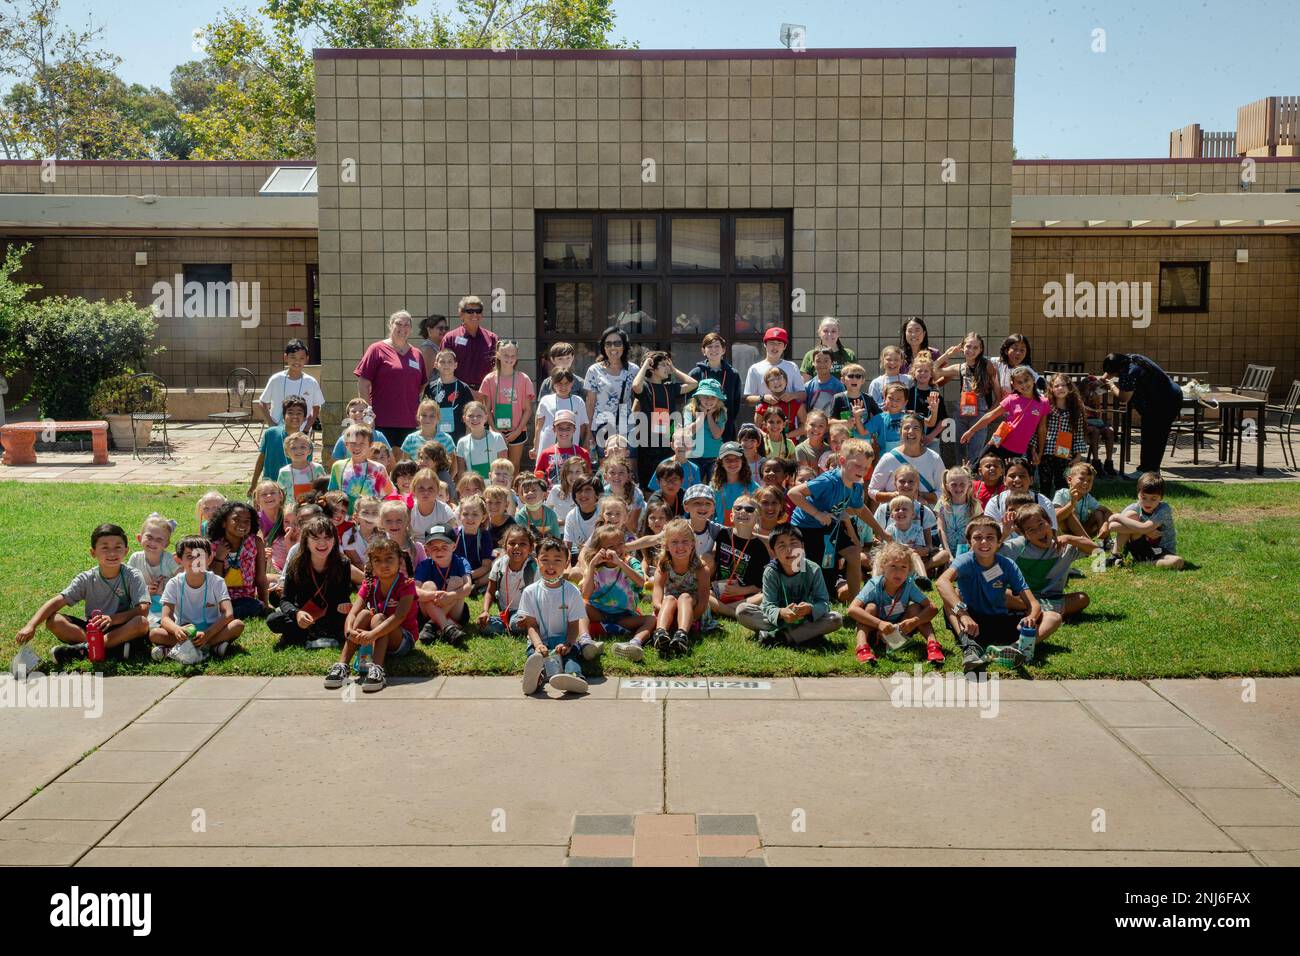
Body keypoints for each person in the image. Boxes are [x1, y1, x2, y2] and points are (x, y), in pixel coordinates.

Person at [17, 523, 150, 664]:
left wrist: (112, 619)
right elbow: (57, 601)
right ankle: (108, 649)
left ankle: (86, 649)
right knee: (54, 621)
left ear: (126, 551)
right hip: (92, 630)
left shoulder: (133, 575)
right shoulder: (86, 578)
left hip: (122, 627)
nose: (112, 553)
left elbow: (143, 609)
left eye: (118, 547)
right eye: (105, 548)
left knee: (141, 623)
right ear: (93, 553)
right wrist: (31, 625)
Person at [936, 516, 1042, 673]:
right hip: (971, 623)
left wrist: (1030, 618)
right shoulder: (964, 560)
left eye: (990, 537)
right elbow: (941, 582)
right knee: (949, 599)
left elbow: (1033, 604)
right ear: (969, 543)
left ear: (999, 542)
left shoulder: (1007, 564)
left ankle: (1015, 648)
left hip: (999, 620)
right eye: (978, 538)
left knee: (1051, 617)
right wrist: (964, 614)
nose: (984, 542)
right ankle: (969, 648)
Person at [788, 437, 879, 598]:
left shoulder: (856, 485)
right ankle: (796, 599)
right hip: (804, 526)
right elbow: (793, 493)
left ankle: (855, 602)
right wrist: (817, 513)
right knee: (799, 566)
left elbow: (860, 510)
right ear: (842, 461)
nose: (862, 471)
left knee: (853, 553)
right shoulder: (828, 480)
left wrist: (882, 532)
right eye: (857, 465)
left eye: (866, 467)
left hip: (829, 525)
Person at [327, 534, 418, 693]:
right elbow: (353, 613)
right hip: (375, 636)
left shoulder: (407, 584)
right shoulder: (369, 584)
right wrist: (349, 631)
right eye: (377, 560)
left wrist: (373, 634)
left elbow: (400, 616)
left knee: (378, 617)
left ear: (400, 561)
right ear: (371, 565)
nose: (384, 564)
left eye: (389, 558)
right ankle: (342, 665)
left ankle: (377, 670)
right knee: (363, 614)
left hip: (402, 639)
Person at [1001, 505, 1099, 649]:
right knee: (1003, 595)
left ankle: (1020, 647)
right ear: (1024, 535)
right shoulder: (1017, 546)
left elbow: (1098, 551)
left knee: (1082, 599)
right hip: (1021, 599)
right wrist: (1004, 533)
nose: (1039, 532)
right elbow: (985, 553)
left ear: (1050, 522)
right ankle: (1037, 611)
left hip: (1051, 599)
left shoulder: (1065, 547)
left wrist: (1070, 538)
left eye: (1041, 524)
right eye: (1031, 530)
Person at [735, 522, 844, 646]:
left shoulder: (812, 569)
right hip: (779, 619)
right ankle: (804, 635)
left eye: (794, 543)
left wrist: (811, 609)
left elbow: (824, 602)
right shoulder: (771, 571)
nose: (789, 550)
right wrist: (781, 613)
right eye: (782, 546)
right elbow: (768, 605)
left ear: (802, 547)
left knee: (836, 618)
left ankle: (780, 637)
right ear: (773, 551)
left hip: (805, 619)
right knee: (742, 610)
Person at [266, 515, 359, 648]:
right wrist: (297, 613)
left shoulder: (342, 563)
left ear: (334, 540)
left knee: (355, 619)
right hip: (304, 613)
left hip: (330, 614)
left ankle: (306, 635)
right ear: (306, 541)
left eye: (328, 537)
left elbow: (343, 596)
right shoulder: (296, 564)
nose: (322, 543)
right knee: (274, 620)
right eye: (315, 538)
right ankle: (318, 634)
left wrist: (344, 605)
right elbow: (285, 600)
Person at [518, 534, 592, 695]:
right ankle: (536, 677)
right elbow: (531, 625)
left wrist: (568, 643)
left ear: (566, 564)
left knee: (571, 657)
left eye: (557, 560)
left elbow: (574, 625)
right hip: (539, 641)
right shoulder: (530, 592)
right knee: (534, 656)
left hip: (564, 640)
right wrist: (538, 645)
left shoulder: (572, 592)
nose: (551, 565)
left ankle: (574, 677)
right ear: (537, 561)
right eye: (545, 559)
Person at [151, 535, 245, 661]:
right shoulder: (174, 583)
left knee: (237, 625)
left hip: (211, 631)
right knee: (155, 634)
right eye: (189, 556)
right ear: (178, 560)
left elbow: (228, 614)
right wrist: (177, 629)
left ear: (210, 558)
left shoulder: (217, 581)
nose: (195, 561)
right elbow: (165, 618)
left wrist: (207, 634)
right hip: (184, 632)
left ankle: (180, 650)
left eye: (200, 556)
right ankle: (211, 648)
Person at [848, 541, 941, 664]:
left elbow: (932, 608)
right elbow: (852, 609)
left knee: (915, 609)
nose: (898, 572)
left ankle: (933, 646)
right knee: (870, 608)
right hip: (874, 630)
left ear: (909, 570)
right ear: (882, 567)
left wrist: (914, 621)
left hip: (901, 630)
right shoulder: (873, 585)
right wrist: (879, 624)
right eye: (893, 566)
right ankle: (862, 647)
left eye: (904, 567)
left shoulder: (908, 584)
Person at [1099, 352, 1184, 478]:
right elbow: (1110, 372)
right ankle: (1149, 470)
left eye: (1114, 373)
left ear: (1119, 369)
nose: (1113, 375)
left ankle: (1149, 471)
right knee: (1149, 434)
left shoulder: (1129, 373)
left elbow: (1124, 397)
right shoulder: (1131, 358)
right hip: (1167, 396)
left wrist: (1111, 385)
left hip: (1164, 402)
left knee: (1155, 436)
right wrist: (1104, 377)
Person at [354, 310, 427, 447]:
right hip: (382, 420)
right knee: (381, 460)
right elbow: (363, 383)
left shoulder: (417, 354)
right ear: (390, 325)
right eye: (398, 324)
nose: (402, 328)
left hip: (409, 420)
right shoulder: (377, 349)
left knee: (406, 464)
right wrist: (368, 413)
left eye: (407, 325)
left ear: (411, 329)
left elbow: (421, 385)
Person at [582, 524, 653, 658]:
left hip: (624, 615)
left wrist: (621, 563)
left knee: (651, 620)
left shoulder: (631, 562)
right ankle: (585, 641)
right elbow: (586, 595)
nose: (617, 550)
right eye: (611, 547)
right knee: (581, 605)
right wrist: (591, 566)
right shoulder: (596, 567)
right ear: (600, 549)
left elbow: (641, 582)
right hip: (599, 613)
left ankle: (635, 643)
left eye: (620, 544)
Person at [631, 350, 699, 490]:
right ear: (652, 368)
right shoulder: (645, 387)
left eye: (668, 365)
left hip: (668, 444)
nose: (667, 368)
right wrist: (645, 365)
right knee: (649, 487)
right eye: (663, 365)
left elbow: (693, 383)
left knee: (669, 481)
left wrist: (674, 370)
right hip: (648, 444)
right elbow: (635, 386)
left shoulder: (670, 388)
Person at [961, 365, 1049, 464]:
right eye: (1019, 382)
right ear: (1014, 385)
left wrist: (1040, 452)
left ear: (1033, 379)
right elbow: (991, 415)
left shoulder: (1043, 402)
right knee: (977, 468)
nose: (1024, 384)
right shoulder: (1011, 399)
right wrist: (971, 431)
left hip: (1019, 450)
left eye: (1026, 380)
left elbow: (1042, 428)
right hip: (998, 441)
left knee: (1011, 476)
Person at [938, 331, 1003, 465]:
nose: (971, 350)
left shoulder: (988, 366)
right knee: (959, 453)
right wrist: (947, 355)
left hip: (980, 416)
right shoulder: (960, 367)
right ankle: (959, 483)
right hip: (961, 415)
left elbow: (999, 397)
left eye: (975, 347)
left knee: (975, 455)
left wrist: (988, 416)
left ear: (981, 350)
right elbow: (933, 371)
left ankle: (973, 483)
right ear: (962, 347)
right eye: (968, 346)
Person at [650, 518, 711, 658]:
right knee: (670, 598)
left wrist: (691, 618)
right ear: (666, 546)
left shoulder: (701, 569)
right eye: (674, 542)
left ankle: (682, 635)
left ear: (692, 544)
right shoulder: (664, 566)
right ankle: (660, 633)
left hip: (694, 611)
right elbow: (657, 597)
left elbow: (703, 602)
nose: (680, 547)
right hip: (669, 608)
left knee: (685, 597)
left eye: (685, 541)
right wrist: (665, 611)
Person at [477, 338, 534, 475]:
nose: (509, 359)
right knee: (497, 465)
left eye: (513, 355)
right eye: (506, 355)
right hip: (496, 431)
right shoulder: (489, 379)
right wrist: (496, 430)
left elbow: (527, 410)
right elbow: (486, 409)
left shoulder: (523, 379)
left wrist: (517, 431)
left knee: (514, 465)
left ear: (517, 357)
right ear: (498, 355)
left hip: (517, 431)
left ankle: (512, 493)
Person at [707, 494, 770, 619]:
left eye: (750, 509)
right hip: (720, 590)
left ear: (757, 518)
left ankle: (722, 609)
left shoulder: (759, 547)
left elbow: (758, 586)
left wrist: (741, 591)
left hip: (744, 595)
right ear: (731, 516)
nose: (743, 512)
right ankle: (732, 613)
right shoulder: (723, 535)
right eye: (738, 508)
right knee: (703, 593)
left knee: (762, 597)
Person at [1104, 471, 1184, 569]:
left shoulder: (1164, 509)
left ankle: (1136, 564)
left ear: (1161, 498)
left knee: (1178, 561)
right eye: (1144, 497)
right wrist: (1146, 532)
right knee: (1130, 515)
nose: (1148, 502)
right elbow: (1112, 526)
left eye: (1153, 499)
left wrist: (1117, 516)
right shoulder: (1134, 508)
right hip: (1140, 549)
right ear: (1138, 494)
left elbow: (1145, 527)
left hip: (1163, 552)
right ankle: (1116, 556)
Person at [583, 326, 639, 462]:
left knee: (629, 467)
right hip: (603, 426)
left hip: (627, 426)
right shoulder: (594, 370)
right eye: (608, 344)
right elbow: (590, 403)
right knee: (606, 468)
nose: (613, 347)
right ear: (603, 347)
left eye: (617, 343)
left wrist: (634, 420)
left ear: (624, 346)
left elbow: (639, 398)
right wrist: (588, 432)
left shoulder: (633, 370)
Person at [867, 412, 945, 506]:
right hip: (894, 517)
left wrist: (920, 495)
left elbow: (944, 492)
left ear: (922, 434)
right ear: (900, 433)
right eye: (906, 428)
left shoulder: (934, 459)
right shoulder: (888, 459)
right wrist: (895, 496)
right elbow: (872, 491)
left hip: (925, 518)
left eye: (916, 428)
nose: (911, 431)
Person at [208, 500, 269, 619]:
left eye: (247, 521)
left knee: (255, 606)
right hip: (219, 600)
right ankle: (224, 615)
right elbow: (213, 582)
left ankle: (225, 616)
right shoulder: (212, 546)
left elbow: (261, 578)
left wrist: (265, 606)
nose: (242, 524)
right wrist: (219, 558)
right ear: (224, 522)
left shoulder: (255, 542)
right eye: (236, 519)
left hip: (245, 600)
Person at [414, 525, 473, 645]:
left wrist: (451, 595)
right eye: (434, 547)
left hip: (454, 610)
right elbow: (414, 591)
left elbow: (468, 588)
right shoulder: (424, 565)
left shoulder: (461, 562)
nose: (439, 551)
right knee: (428, 585)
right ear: (427, 550)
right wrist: (432, 594)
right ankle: (447, 627)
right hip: (428, 610)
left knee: (458, 581)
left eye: (444, 547)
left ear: (454, 546)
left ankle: (431, 625)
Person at [480, 524, 538, 636]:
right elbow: (490, 591)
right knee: (484, 626)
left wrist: (530, 615)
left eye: (523, 544)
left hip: (525, 612)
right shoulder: (499, 564)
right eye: (512, 543)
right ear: (505, 547)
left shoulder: (534, 568)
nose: (516, 546)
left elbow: (539, 597)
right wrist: (485, 611)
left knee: (516, 623)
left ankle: (514, 625)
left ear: (530, 548)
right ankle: (507, 625)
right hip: (504, 611)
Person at [1039, 372, 1091, 498]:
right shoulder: (1046, 407)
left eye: (1063, 385)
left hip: (1064, 452)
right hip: (1046, 450)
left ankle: (1060, 509)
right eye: (1056, 386)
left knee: (1062, 483)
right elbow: (1038, 430)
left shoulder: (1076, 410)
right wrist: (1035, 450)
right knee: (1044, 482)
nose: (1060, 388)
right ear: (1051, 389)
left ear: (1069, 388)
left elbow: (1078, 435)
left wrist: (1078, 456)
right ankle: (1043, 508)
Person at [249, 396, 311, 497]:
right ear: (283, 415)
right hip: (270, 488)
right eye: (290, 412)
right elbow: (261, 459)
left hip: (292, 489)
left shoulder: (305, 443)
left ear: (304, 418)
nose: (294, 416)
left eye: (299, 413)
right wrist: (253, 484)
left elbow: (307, 468)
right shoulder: (270, 433)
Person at [258, 338, 324, 432]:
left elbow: (316, 408)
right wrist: (271, 423)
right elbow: (262, 403)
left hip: (301, 432)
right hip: (278, 430)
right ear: (285, 357)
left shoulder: (311, 382)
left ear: (307, 359)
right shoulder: (276, 379)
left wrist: (306, 428)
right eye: (293, 357)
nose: (297, 361)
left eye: (301, 358)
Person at [688, 333, 743, 441]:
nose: (713, 350)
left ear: (723, 350)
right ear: (703, 351)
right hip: (700, 426)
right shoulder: (696, 373)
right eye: (709, 346)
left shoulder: (733, 374)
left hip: (724, 425)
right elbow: (690, 402)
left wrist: (726, 418)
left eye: (717, 346)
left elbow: (736, 402)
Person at [128, 512, 179, 627]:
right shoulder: (136, 558)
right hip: (144, 602)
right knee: (136, 614)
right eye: (149, 537)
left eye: (159, 540)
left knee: (175, 616)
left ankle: (161, 627)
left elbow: (182, 580)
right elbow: (129, 584)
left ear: (166, 544)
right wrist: (145, 591)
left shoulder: (168, 559)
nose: (153, 542)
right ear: (139, 538)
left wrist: (165, 590)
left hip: (166, 602)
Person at [328, 422, 393, 512]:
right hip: (344, 519)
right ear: (346, 444)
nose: (357, 447)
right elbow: (332, 494)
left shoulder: (378, 469)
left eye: (362, 443)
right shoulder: (338, 466)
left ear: (370, 445)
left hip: (370, 518)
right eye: (353, 443)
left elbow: (388, 496)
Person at [440, 295, 499, 391]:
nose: (475, 314)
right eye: (470, 311)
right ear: (461, 314)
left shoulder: (492, 339)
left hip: (485, 394)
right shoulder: (450, 338)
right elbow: (444, 368)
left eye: (478, 311)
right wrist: (467, 391)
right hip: (456, 393)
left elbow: (497, 369)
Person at [983, 457, 1058, 530]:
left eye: (1022, 476)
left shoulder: (1043, 502)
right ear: (1004, 480)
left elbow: (1051, 534)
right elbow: (989, 534)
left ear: (1031, 480)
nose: (1017, 480)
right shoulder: (995, 503)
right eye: (1012, 476)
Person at [534, 368, 590, 457]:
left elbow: (583, 426)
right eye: (559, 383)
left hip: (571, 447)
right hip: (547, 446)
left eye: (566, 383)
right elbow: (539, 426)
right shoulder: (545, 400)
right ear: (553, 383)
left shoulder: (578, 401)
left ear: (572, 383)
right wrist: (535, 447)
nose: (563, 387)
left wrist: (583, 444)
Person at [1053, 461, 1112, 540]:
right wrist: (1071, 504)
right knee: (1070, 512)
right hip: (1066, 533)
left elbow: (1107, 511)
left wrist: (1105, 525)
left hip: (1084, 530)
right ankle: (1088, 543)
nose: (1085, 483)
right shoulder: (1061, 494)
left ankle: (1106, 541)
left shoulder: (1087, 497)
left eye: (1089, 480)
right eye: (1081, 479)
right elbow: (1055, 517)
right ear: (1069, 480)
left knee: (1099, 513)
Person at [683, 377, 727, 483]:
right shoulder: (689, 409)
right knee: (692, 487)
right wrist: (701, 416)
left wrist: (710, 415)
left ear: (718, 399)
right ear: (698, 397)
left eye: (713, 397)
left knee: (715, 487)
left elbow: (717, 435)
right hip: (693, 456)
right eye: (705, 397)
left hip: (714, 456)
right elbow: (689, 432)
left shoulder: (721, 412)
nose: (709, 400)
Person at [455, 400, 508, 481]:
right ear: (464, 419)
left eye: (479, 415)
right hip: (473, 490)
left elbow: (505, 468)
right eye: (470, 416)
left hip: (494, 488)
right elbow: (461, 472)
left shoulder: (497, 438)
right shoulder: (462, 443)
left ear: (486, 418)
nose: (475, 419)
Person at [828, 363, 881, 441]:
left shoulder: (868, 398)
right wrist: (845, 422)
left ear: (863, 380)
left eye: (858, 376)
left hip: (864, 441)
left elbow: (880, 417)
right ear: (842, 380)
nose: (854, 379)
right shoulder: (838, 398)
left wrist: (871, 430)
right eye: (850, 376)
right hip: (845, 441)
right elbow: (830, 422)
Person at [277, 430, 327, 505]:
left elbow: (325, 488)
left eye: (303, 447)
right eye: (293, 448)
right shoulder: (284, 472)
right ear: (286, 452)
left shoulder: (317, 468)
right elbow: (280, 493)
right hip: (292, 509)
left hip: (314, 508)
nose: (298, 451)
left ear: (310, 450)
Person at [416, 314, 449, 378]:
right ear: (429, 330)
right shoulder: (428, 349)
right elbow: (426, 378)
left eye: (446, 328)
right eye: (440, 328)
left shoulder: (440, 346)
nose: (444, 331)